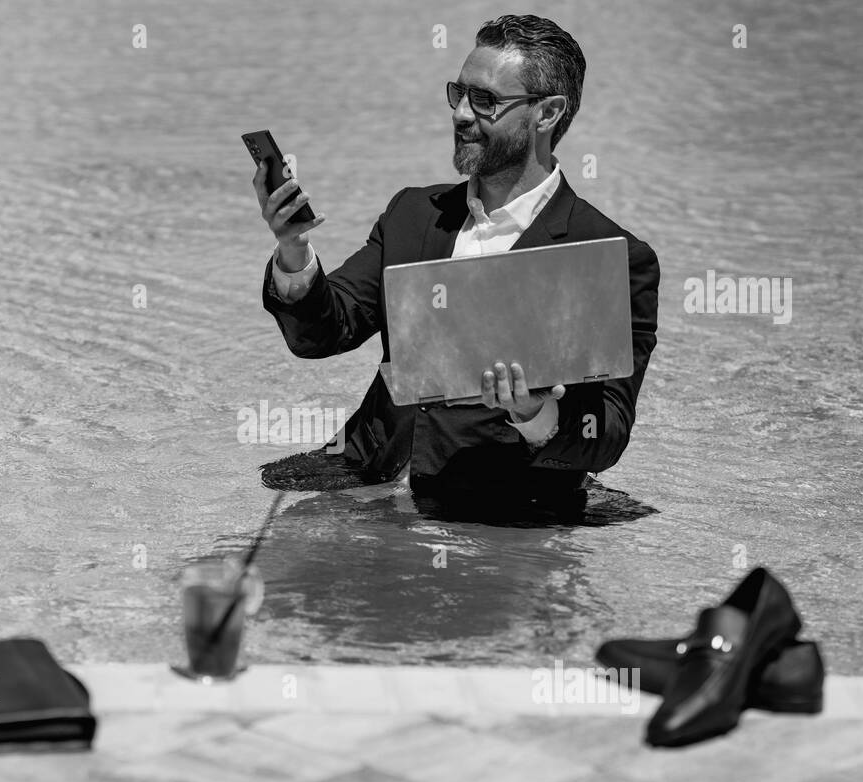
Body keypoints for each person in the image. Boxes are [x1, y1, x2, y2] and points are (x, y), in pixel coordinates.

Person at [254, 14, 659, 507]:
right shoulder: (413, 214)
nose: (462, 114)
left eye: (485, 100)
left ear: (547, 114)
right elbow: (323, 334)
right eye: (458, 93)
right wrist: (293, 249)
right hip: (365, 475)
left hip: (499, 511)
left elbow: (607, 434)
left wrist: (535, 414)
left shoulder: (609, 255)